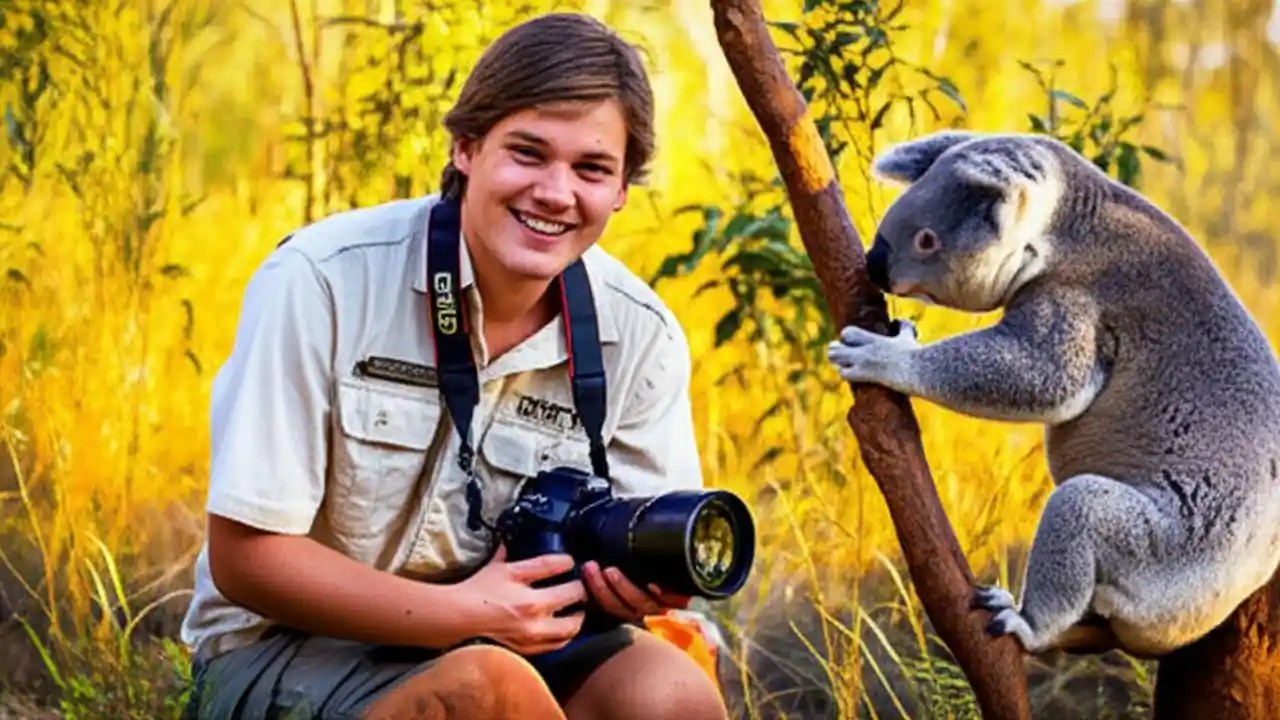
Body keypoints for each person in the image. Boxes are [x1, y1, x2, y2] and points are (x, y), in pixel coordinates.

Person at [179, 11, 731, 720]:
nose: (557, 193)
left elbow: (651, 551)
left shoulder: (639, 336)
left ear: (623, 188)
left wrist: (637, 586)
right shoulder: (322, 280)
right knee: (486, 693)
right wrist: (461, 615)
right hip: (289, 646)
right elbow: (245, 560)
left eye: (592, 168)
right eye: (528, 153)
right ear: (466, 146)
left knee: (673, 695)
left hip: (516, 639)